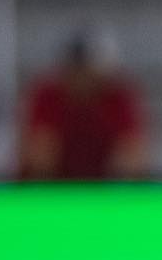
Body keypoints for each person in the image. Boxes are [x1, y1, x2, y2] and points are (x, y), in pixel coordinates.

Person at [16, 28, 149, 180]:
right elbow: (39, 157)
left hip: (104, 195)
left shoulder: (119, 97)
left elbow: (133, 156)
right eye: (76, 69)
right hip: (56, 195)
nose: (82, 78)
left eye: (87, 70)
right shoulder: (47, 95)